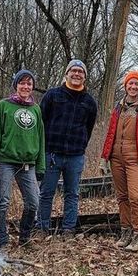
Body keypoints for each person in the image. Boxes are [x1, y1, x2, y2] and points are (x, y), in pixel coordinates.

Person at [0, 70, 46, 249]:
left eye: (29, 83)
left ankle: (24, 238)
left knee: (33, 202)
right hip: (5, 161)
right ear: (16, 85)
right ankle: (1, 241)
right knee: (3, 200)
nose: (25, 86)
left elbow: (40, 139)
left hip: (28, 164)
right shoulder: (4, 106)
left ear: (32, 87)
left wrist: (41, 166)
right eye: (22, 83)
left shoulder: (36, 109)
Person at [37, 60, 99, 236]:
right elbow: (42, 122)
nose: (77, 74)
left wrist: (80, 145)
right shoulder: (52, 95)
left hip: (75, 155)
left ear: (85, 77)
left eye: (80, 72)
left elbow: (89, 127)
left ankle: (68, 228)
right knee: (46, 193)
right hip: (51, 153)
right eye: (73, 71)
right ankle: (42, 227)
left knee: (72, 194)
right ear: (66, 74)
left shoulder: (89, 102)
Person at [101, 70, 138, 252]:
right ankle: (125, 232)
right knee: (122, 197)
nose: (133, 87)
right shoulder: (119, 107)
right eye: (130, 84)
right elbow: (110, 133)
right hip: (116, 158)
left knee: (135, 197)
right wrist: (104, 158)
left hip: (135, 158)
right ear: (125, 86)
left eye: (137, 84)